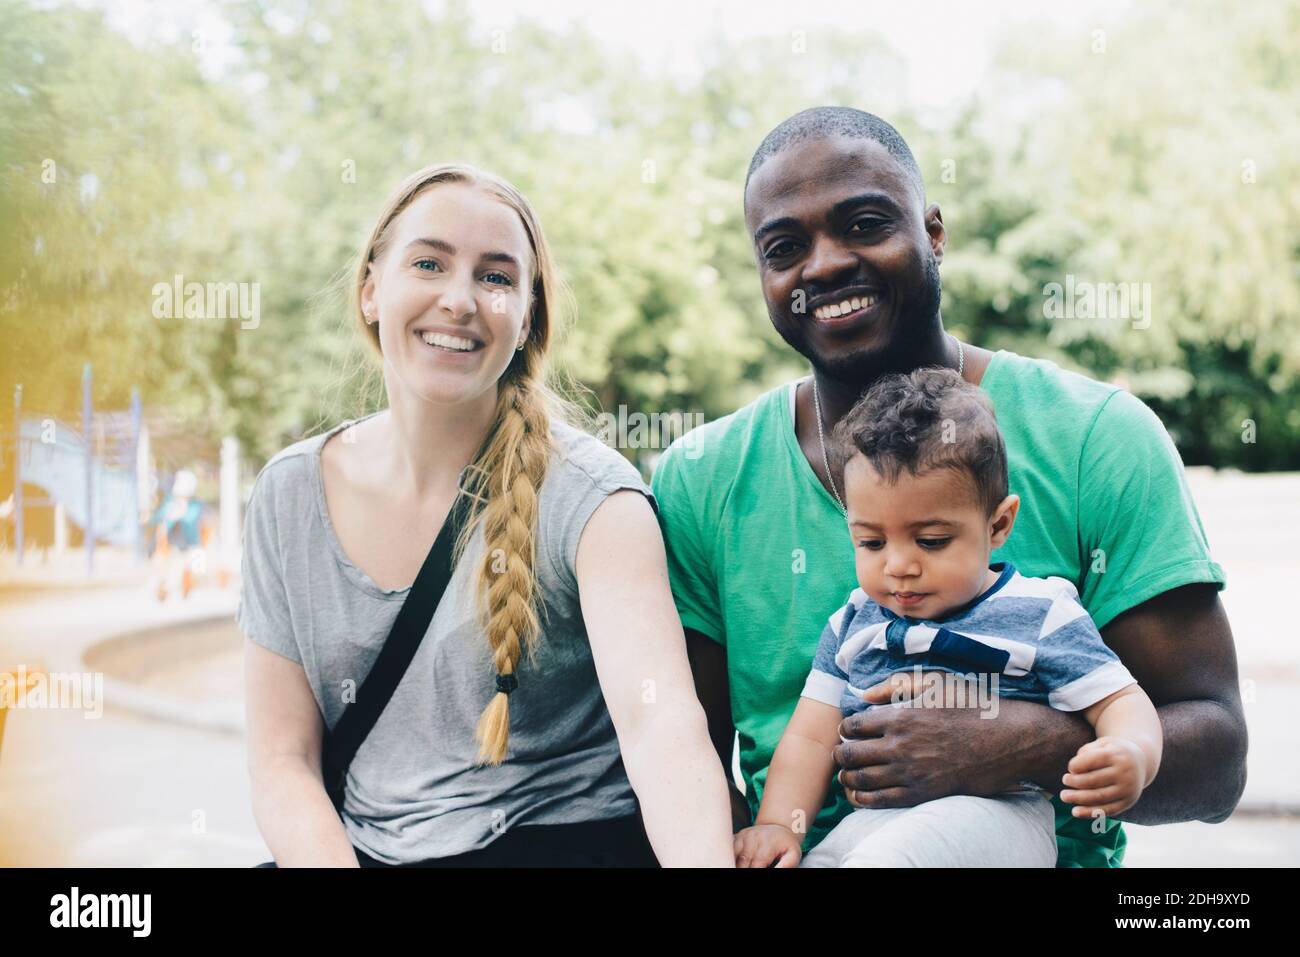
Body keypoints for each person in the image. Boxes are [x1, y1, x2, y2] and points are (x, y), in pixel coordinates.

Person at [652, 106, 1246, 867]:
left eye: (865, 223)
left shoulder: (1099, 438)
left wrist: (1020, 745)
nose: (825, 263)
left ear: (934, 233)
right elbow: (679, 759)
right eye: (785, 247)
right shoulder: (700, 481)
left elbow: (1219, 758)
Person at [239, 163, 733, 867]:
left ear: (526, 315)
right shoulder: (288, 496)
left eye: (496, 277)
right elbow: (282, 760)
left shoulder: (594, 498)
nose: (460, 299)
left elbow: (661, 724)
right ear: (372, 288)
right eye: (429, 262)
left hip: (556, 840)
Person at [733, 368, 1163, 867]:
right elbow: (809, 736)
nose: (898, 565)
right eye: (871, 542)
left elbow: (1120, 699)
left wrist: (1133, 752)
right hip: (875, 823)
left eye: (931, 541)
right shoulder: (853, 624)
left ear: (998, 523)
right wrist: (777, 825)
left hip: (998, 820)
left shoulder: (1039, 614)